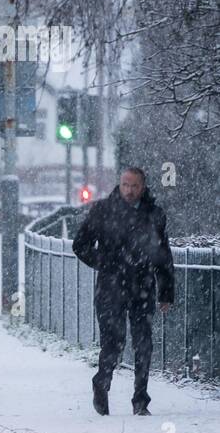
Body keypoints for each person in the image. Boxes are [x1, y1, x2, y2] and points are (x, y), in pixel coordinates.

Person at [72, 167, 174, 416]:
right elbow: (80, 244)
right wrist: (105, 263)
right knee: (113, 343)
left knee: (143, 344)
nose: (129, 190)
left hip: (143, 287)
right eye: (125, 185)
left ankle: (140, 400)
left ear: (143, 186)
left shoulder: (154, 214)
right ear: (119, 184)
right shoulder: (103, 211)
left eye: (134, 186)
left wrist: (166, 292)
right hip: (111, 288)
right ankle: (101, 383)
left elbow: (163, 255)